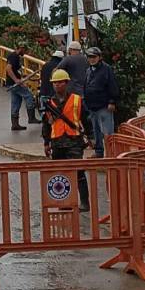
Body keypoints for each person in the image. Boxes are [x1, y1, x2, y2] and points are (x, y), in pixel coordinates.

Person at [44, 69, 92, 212]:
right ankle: (64, 202)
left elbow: (86, 119)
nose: (57, 85)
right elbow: (46, 125)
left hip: (73, 140)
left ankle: (84, 203)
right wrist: (46, 143)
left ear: (66, 83)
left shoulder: (76, 100)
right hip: (57, 141)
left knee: (78, 172)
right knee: (60, 173)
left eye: (60, 82)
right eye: (55, 83)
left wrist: (91, 137)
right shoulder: (49, 103)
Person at [84, 47, 119, 159]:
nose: (92, 59)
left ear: (99, 57)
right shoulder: (89, 70)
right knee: (96, 132)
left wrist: (112, 101)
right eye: (90, 57)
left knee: (108, 132)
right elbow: (86, 86)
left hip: (104, 105)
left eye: (94, 57)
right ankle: (99, 153)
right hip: (92, 106)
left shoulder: (106, 69)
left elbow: (112, 85)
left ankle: (110, 155)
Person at [5, 41, 39, 131]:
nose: (25, 52)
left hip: (11, 82)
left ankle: (15, 124)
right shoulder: (14, 56)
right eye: (25, 50)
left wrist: (22, 76)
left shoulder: (14, 56)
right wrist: (16, 80)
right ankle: (31, 118)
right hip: (14, 83)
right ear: (21, 48)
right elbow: (8, 69)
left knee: (16, 102)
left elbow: (14, 70)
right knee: (29, 96)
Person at [39, 51, 65, 142]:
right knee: (55, 115)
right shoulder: (60, 67)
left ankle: (45, 134)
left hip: (43, 93)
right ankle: (52, 133)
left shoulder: (45, 65)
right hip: (52, 95)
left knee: (45, 116)